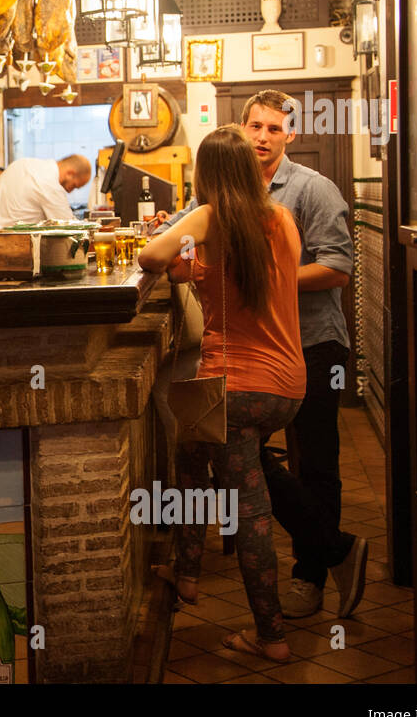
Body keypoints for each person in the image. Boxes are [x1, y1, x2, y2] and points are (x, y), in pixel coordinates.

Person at [151, 89, 364, 619]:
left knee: (316, 462)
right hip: (259, 365)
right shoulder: (223, 200)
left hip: (313, 343)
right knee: (233, 462)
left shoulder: (312, 191)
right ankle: (327, 549)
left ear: (290, 134)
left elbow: (338, 269)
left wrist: (257, 277)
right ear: (242, 132)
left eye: (275, 128)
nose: (264, 136)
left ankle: (310, 577)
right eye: (256, 127)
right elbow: (184, 242)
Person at [139, 125, 306, 662]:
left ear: (207, 175)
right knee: (189, 452)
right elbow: (229, 276)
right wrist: (191, 265)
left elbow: (149, 256)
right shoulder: (280, 219)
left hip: (236, 390)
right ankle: (186, 573)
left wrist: (184, 228)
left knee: (251, 511)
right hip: (286, 385)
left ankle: (271, 635)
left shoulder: (210, 216)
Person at [0, 154, 93, 242]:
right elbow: (69, 229)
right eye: (75, 186)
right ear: (70, 173)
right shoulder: (50, 184)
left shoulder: (24, 163)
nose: (71, 191)